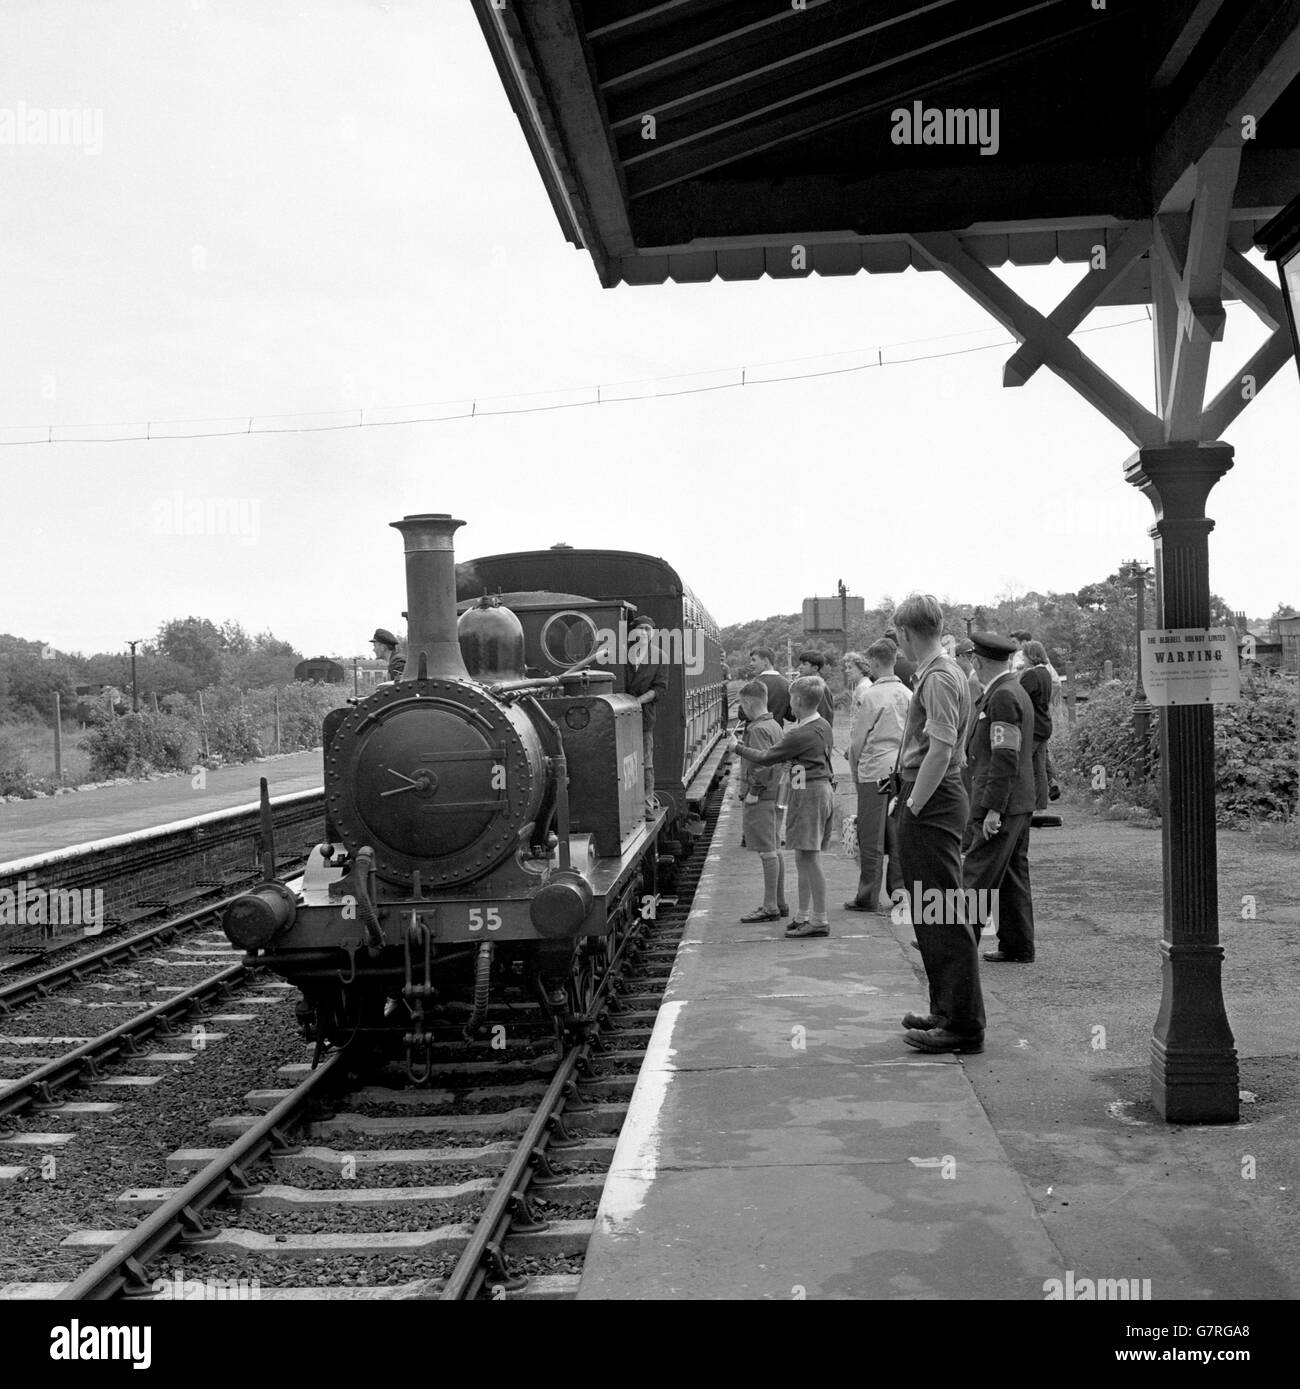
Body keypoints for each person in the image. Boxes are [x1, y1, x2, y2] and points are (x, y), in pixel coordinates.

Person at [890, 594, 981, 1054]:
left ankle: (963, 1024)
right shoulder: (943, 674)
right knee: (934, 911)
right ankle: (946, 1009)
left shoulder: (939, 678)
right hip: (934, 797)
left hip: (933, 799)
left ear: (906, 634)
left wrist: (913, 806)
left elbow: (941, 751)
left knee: (943, 912)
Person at [729, 675, 834, 938]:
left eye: (791, 700)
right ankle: (803, 915)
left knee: (810, 858)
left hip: (809, 794)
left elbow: (766, 758)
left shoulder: (800, 733)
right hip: (814, 790)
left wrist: (737, 748)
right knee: (802, 856)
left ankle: (819, 919)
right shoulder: (823, 726)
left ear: (797, 701)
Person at [964, 633, 1038, 964]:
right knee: (1011, 876)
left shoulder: (1003, 696)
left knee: (977, 873)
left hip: (1002, 802)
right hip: (1018, 799)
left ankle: (954, 943)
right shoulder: (1011, 690)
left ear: (978, 662)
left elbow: (1004, 755)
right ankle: (1017, 944)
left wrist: (993, 807)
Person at [845, 638, 911, 912]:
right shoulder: (909, 693)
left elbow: (858, 741)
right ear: (895, 660)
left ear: (872, 663)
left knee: (871, 834)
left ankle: (867, 895)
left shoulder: (870, 696)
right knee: (897, 831)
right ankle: (899, 891)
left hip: (875, 771)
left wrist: (854, 771)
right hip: (901, 769)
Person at [733, 681, 788, 922]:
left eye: (741, 704)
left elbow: (764, 764)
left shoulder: (756, 730)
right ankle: (779, 901)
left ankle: (769, 907)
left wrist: (754, 790)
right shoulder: (774, 725)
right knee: (774, 849)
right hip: (775, 794)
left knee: (767, 853)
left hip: (761, 796)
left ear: (747, 703)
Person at [625, 615, 668, 819]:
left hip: (644, 715)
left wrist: (639, 701)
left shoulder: (660, 656)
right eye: (640, 628)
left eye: (648, 629)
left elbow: (659, 688)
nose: (644, 632)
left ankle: (646, 805)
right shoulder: (621, 655)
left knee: (646, 762)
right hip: (620, 714)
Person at [1018, 639, 1054, 812]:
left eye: (1024, 655)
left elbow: (1018, 697)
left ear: (1031, 656)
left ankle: (1021, 803)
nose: (1022, 658)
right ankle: (1040, 806)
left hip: (1032, 727)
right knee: (1039, 768)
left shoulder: (1031, 675)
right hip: (1044, 724)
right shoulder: (1045, 673)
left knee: (1021, 764)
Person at [745, 647, 792, 724]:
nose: (751, 664)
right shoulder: (786, 684)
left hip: (756, 732)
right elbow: (791, 716)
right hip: (777, 731)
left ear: (765, 661)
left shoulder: (753, 684)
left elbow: (742, 714)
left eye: (754, 660)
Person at [797, 651, 836, 724]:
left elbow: (825, 713)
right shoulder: (807, 685)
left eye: (804, 664)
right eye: (801, 664)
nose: (800, 667)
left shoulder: (819, 687)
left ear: (815, 668)